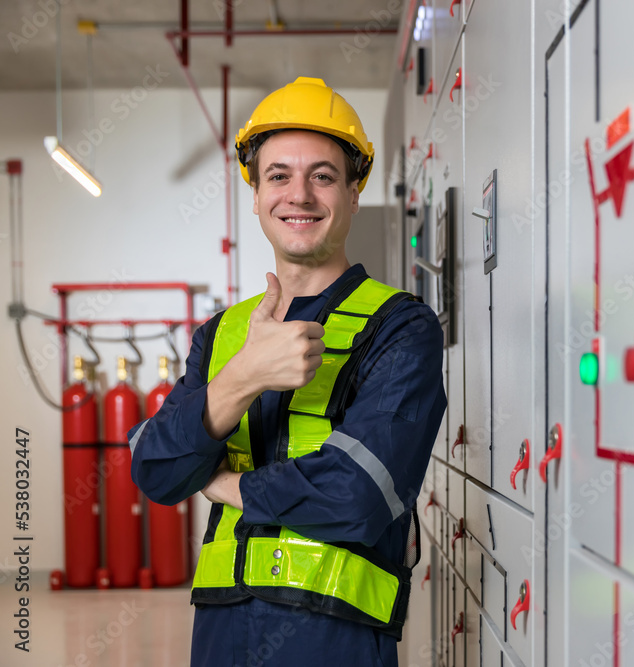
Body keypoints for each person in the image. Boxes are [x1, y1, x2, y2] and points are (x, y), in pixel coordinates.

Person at [128, 76, 446, 666]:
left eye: (322, 176)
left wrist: (221, 484)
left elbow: (358, 495)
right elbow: (155, 470)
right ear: (255, 195)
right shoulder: (222, 334)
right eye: (278, 176)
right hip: (220, 639)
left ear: (354, 193)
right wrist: (244, 375)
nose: (298, 195)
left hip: (335, 641)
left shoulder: (403, 328)